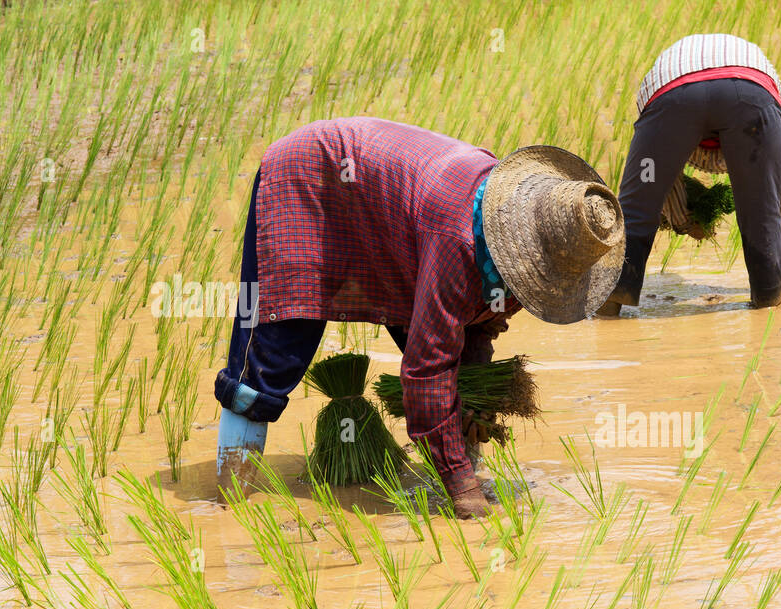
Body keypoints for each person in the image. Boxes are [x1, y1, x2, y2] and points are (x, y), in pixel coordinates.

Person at [213, 117, 624, 518]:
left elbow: (477, 318)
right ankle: (229, 497)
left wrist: (475, 385)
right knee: (276, 342)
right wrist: (462, 489)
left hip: (392, 218)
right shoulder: (458, 242)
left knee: (454, 364)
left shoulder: (515, 223)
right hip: (312, 176)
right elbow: (425, 372)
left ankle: (456, 462)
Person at [601, 33, 781, 316]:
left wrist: (685, 222)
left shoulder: (663, 118)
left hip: (673, 100)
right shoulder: (771, 121)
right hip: (749, 97)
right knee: (761, 212)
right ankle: (768, 304)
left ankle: (608, 309)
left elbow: (655, 185)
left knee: (636, 210)